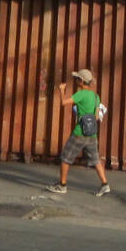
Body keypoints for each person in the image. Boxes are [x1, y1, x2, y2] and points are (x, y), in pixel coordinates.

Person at [46, 68, 110, 196]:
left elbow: (64, 103)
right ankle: (105, 184)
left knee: (65, 157)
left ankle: (62, 185)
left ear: (81, 81)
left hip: (79, 133)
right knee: (96, 159)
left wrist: (62, 90)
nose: (75, 81)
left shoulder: (81, 94)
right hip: (92, 133)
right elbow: (97, 117)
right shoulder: (95, 96)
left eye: (77, 79)